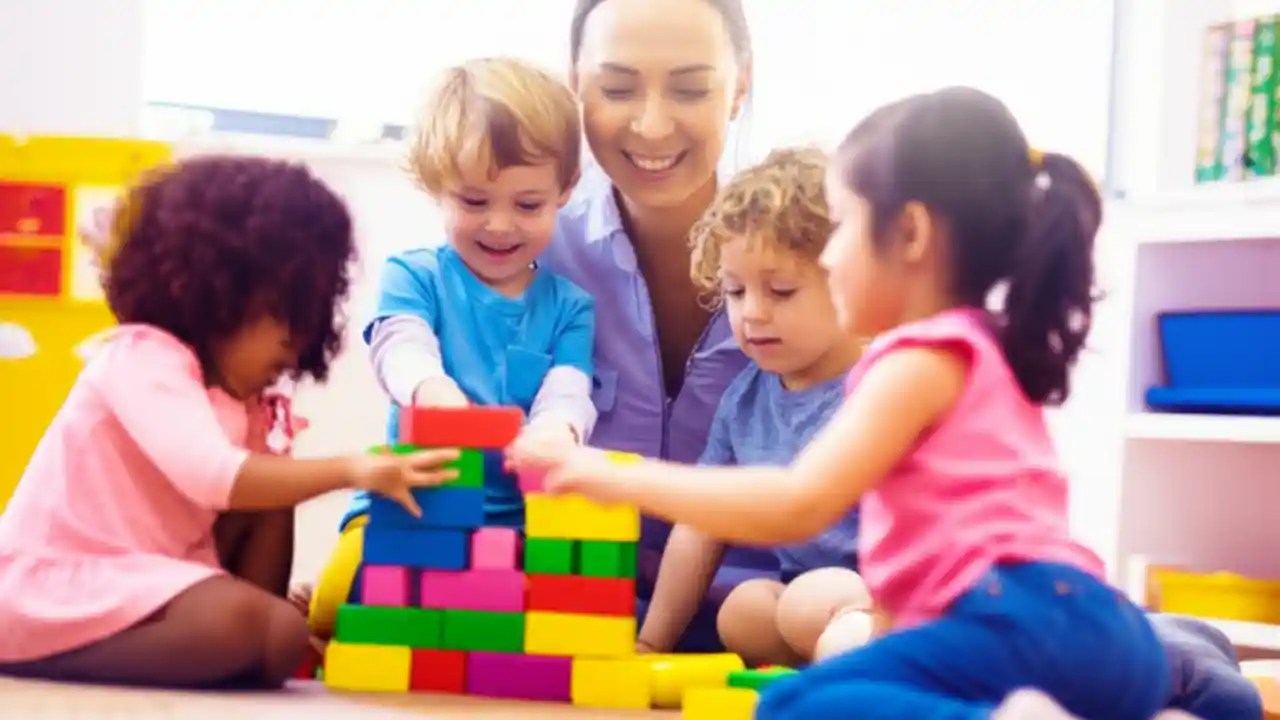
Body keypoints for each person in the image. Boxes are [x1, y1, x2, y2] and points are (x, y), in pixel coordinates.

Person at [510, 87, 1174, 719]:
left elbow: (798, 501)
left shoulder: (915, 361)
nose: (831, 255)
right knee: (861, 681)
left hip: (1014, 622)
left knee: (794, 705)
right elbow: (918, 568)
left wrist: (612, 476)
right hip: (1091, 626)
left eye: (842, 229)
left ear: (910, 234)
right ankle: (1171, 687)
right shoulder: (983, 347)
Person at [0, 155, 460, 689]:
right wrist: (355, 470)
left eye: (307, 315)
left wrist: (274, 455)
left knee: (274, 628)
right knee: (256, 624)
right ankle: (24, 650)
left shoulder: (246, 404)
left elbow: (258, 566)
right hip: (59, 586)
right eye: (282, 313)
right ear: (217, 295)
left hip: (147, 583)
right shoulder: (144, 357)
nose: (296, 338)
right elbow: (214, 475)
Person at [305, 56, 595, 640]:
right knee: (337, 604)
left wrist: (557, 430)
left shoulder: (570, 306)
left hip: (518, 522)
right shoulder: (414, 275)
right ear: (434, 184)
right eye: (473, 201)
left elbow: (570, 386)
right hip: (411, 500)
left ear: (565, 189)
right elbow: (399, 343)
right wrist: (433, 391)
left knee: (516, 625)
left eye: (528, 205)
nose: (500, 225)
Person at [540, 0, 769, 653]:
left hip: (760, 638)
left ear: (739, 88)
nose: (652, 123)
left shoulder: (820, 263)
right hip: (568, 628)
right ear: (574, 84)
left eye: (691, 88)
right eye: (616, 88)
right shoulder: (525, 253)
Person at [637, 147, 870, 667]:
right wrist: (651, 641)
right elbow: (701, 523)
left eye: (782, 291)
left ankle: (864, 677)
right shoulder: (745, 398)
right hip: (806, 601)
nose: (753, 314)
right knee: (742, 611)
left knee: (811, 602)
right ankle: (834, 667)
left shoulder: (882, 383)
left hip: (893, 599)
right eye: (736, 292)